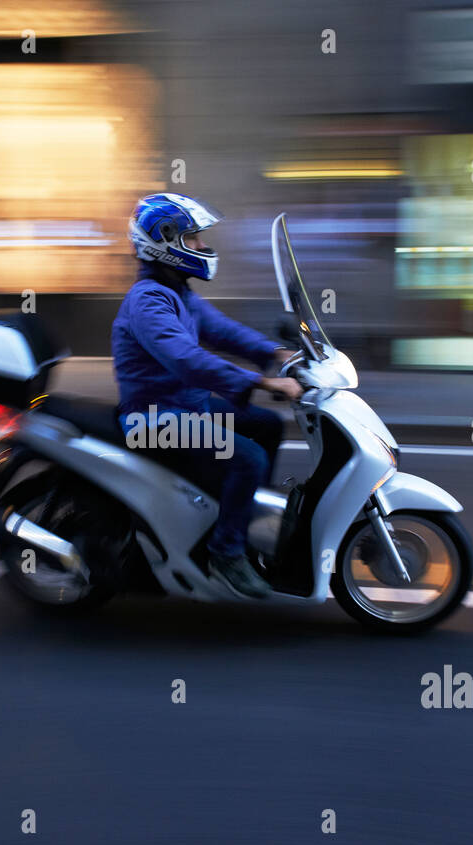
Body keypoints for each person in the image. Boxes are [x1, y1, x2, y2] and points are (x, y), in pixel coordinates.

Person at [112, 193, 303, 598]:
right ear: (164, 243)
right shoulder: (148, 300)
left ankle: (240, 518)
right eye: (192, 238)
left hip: (187, 407)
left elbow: (221, 330)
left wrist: (275, 353)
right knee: (249, 458)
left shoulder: (177, 292)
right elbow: (187, 360)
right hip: (153, 420)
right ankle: (225, 553)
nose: (201, 245)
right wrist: (262, 382)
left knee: (267, 425)